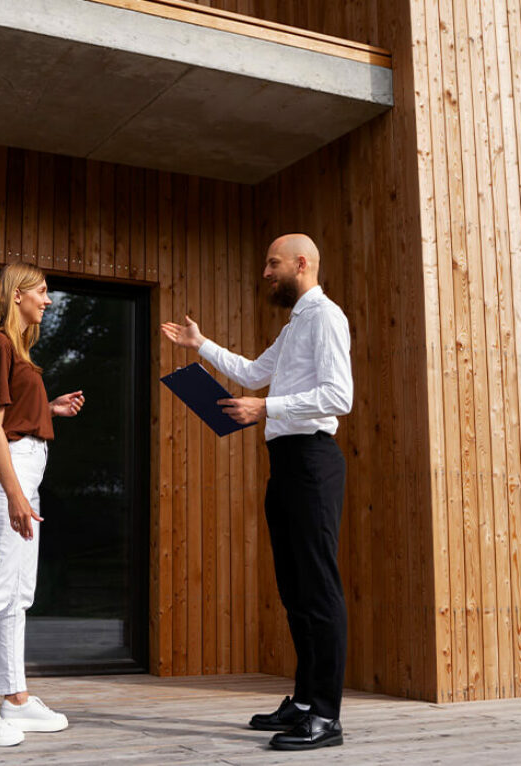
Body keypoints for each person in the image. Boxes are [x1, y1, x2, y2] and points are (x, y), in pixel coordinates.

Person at [161, 233, 353, 751]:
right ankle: (306, 700)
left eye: (272, 263)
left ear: (301, 263)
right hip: (286, 463)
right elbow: (250, 372)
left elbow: (340, 396)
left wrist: (265, 408)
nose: (266, 273)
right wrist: (198, 345)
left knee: (318, 589)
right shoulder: (296, 325)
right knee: (294, 590)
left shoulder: (327, 317)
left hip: (313, 461)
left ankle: (326, 717)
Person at [0, 263, 85, 747]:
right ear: (17, 295)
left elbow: (11, 417)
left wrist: (48, 410)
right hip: (9, 476)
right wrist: (14, 495)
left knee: (17, 594)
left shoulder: (16, 351)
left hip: (26, 469)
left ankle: (15, 699)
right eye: (43, 292)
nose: (48, 301)